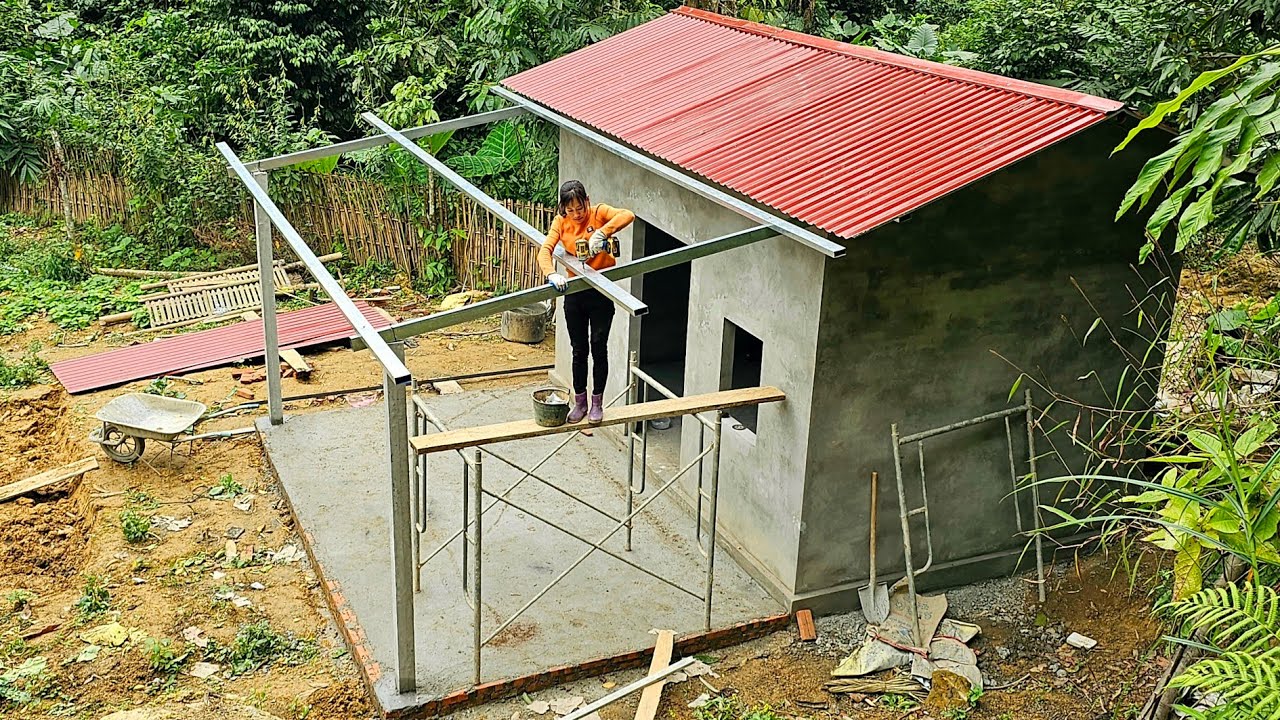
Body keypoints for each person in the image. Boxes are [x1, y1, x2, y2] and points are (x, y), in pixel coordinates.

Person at [539, 180, 635, 424]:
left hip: (600, 293)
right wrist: (551, 273)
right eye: (570, 210)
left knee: (598, 347)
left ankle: (596, 403)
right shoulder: (561, 222)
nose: (576, 214)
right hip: (575, 293)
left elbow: (628, 215)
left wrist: (603, 232)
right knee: (579, 349)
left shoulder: (598, 212)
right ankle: (579, 402)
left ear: (587, 201)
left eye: (579, 208)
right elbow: (545, 250)